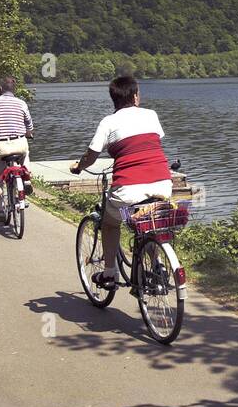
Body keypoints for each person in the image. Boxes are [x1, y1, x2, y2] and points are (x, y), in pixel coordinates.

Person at [70, 75, 172, 287]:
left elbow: (91, 156)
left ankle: (109, 273)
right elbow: (153, 141)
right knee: (149, 222)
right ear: (135, 96)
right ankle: (158, 264)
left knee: (109, 223)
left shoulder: (108, 122)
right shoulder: (151, 115)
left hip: (128, 188)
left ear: (113, 99)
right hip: (163, 183)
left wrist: (79, 167)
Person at [0, 76, 34, 223]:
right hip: (20, 143)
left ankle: (0, 211)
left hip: (1, 146)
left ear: (0, 89)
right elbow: (29, 124)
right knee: (25, 153)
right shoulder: (21, 103)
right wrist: (28, 133)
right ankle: (26, 180)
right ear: (14, 90)